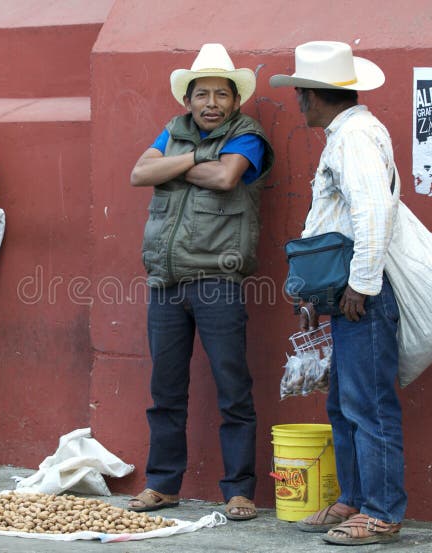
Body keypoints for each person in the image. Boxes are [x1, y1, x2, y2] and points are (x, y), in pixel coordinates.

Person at [127, 43, 274, 521]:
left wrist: (180, 163)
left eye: (221, 95)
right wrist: (194, 160)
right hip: (166, 282)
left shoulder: (247, 133)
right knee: (165, 391)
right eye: (202, 95)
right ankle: (163, 485)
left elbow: (227, 176)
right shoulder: (174, 130)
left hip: (217, 281)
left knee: (233, 388)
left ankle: (238, 490)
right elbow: (139, 172)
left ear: (235, 101)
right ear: (187, 101)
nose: (212, 103)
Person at [270, 41, 405, 545]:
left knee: (367, 403)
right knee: (346, 402)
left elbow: (373, 213)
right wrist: (316, 294)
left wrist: (360, 285)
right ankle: (354, 498)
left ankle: (382, 512)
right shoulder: (346, 135)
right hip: (345, 288)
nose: (299, 103)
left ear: (312, 94)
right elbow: (335, 218)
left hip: (360, 290)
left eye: (301, 94)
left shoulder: (356, 138)